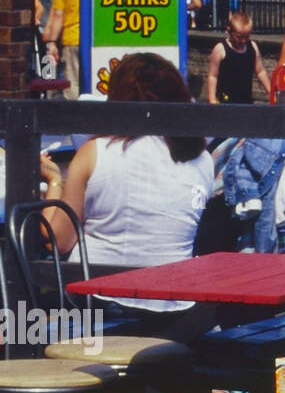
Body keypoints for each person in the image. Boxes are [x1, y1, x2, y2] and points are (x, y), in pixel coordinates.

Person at [39, 53, 214, 321]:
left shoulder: (95, 152)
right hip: (175, 303)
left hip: (98, 300)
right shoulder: (201, 159)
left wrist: (54, 181)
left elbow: (58, 241)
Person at [206, 11, 273, 104]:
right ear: (229, 31)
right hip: (224, 100)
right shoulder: (221, 49)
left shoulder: (252, 47)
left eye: (247, 37)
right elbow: (213, 76)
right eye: (239, 37)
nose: (243, 41)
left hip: (246, 100)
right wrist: (212, 99)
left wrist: (271, 93)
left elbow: (260, 71)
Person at [42, 0, 80, 99]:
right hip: (90, 39)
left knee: (72, 84)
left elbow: (58, 15)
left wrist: (51, 41)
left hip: (71, 39)